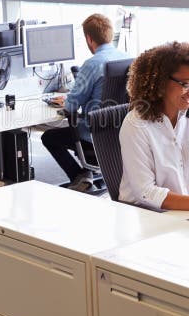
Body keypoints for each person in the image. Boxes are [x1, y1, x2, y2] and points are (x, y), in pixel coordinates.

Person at [118, 41, 189, 211]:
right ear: (160, 82)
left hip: (184, 212)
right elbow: (146, 193)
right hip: (146, 216)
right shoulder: (136, 124)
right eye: (186, 84)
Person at [41, 13, 129, 191]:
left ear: (89, 38)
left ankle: (79, 176)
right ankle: (91, 175)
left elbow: (72, 105)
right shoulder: (127, 59)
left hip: (93, 135)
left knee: (48, 137)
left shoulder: (92, 64)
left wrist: (65, 102)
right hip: (120, 133)